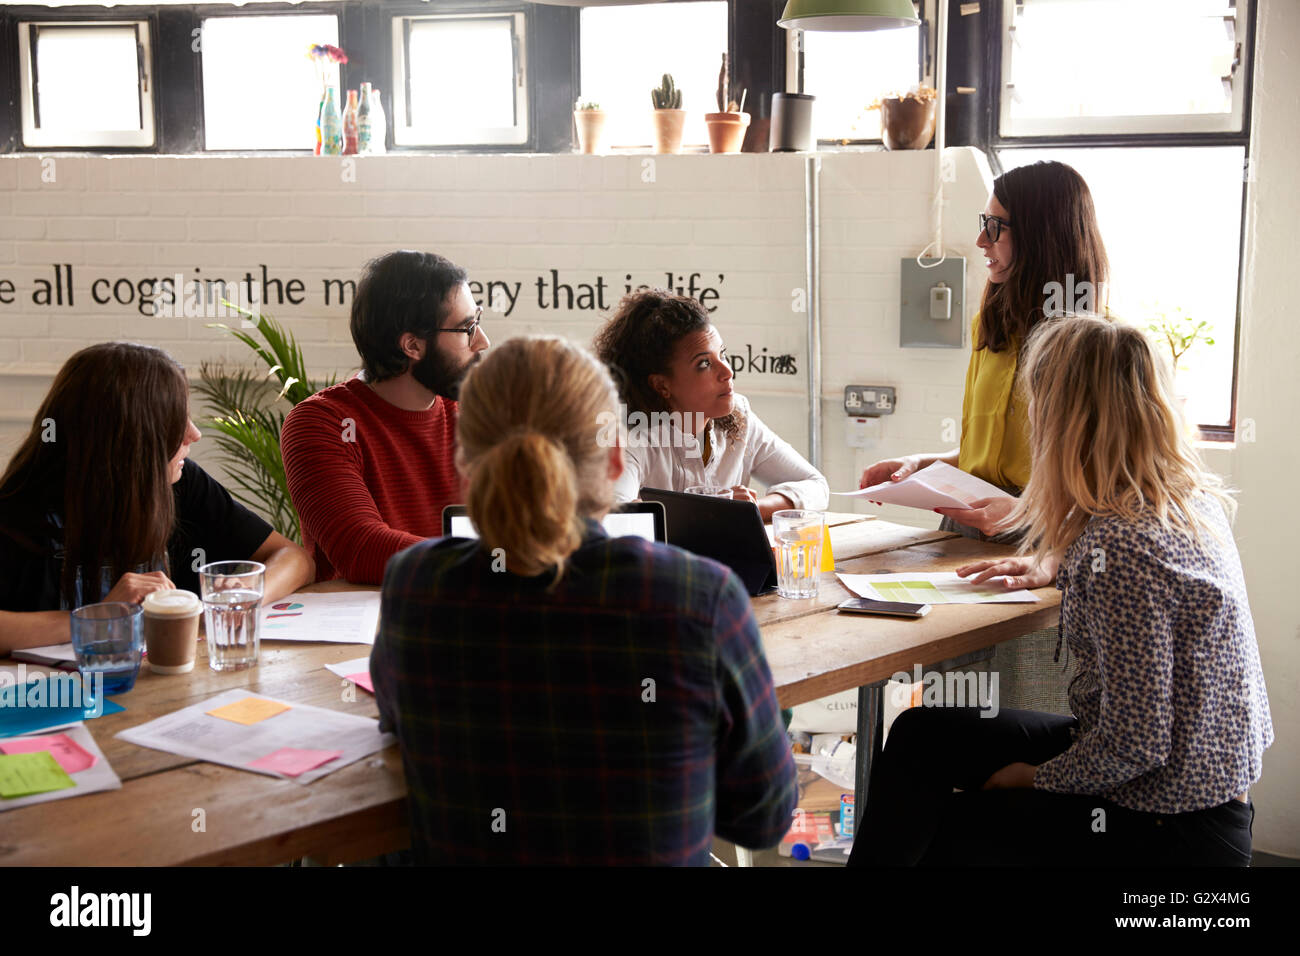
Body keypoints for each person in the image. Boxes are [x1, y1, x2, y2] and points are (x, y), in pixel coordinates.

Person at [847, 316, 1273, 867]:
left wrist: (1035, 777)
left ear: (1069, 422)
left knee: (946, 832)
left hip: (1171, 827)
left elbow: (1136, 745)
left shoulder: (1122, 546)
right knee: (921, 735)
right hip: (1199, 792)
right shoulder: (1187, 501)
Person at [370, 335, 797, 865]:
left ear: (465, 461)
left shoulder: (415, 584)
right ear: (616, 457)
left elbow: (395, 722)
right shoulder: (697, 599)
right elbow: (762, 817)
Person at [0, 342, 314, 653]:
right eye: (176, 422)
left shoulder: (182, 482)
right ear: (133, 438)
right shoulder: (20, 507)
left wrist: (247, 590)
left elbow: (295, 559)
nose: (194, 434)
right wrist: (99, 618)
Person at [859, 160, 1109, 541]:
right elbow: (987, 459)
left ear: (1040, 235)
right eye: (983, 222)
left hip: (1045, 538)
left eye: (995, 227)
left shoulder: (1100, 349)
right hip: (966, 527)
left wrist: (1029, 512)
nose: (980, 240)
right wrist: (919, 464)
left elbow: (1111, 483)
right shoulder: (991, 329)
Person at [280, 250, 489, 585]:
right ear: (413, 346)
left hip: (464, 610)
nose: (482, 341)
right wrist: (490, 563)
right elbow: (361, 548)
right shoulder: (321, 422)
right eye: (467, 327)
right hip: (361, 629)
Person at [593, 289, 828, 521]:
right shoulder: (632, 437)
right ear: (661, 385)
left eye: (722, 354)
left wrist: (752, 507)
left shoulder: (740, 415)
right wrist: (712, 509)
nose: (728, 371)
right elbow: (615, 514)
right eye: (704, 364)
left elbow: (816, 486)